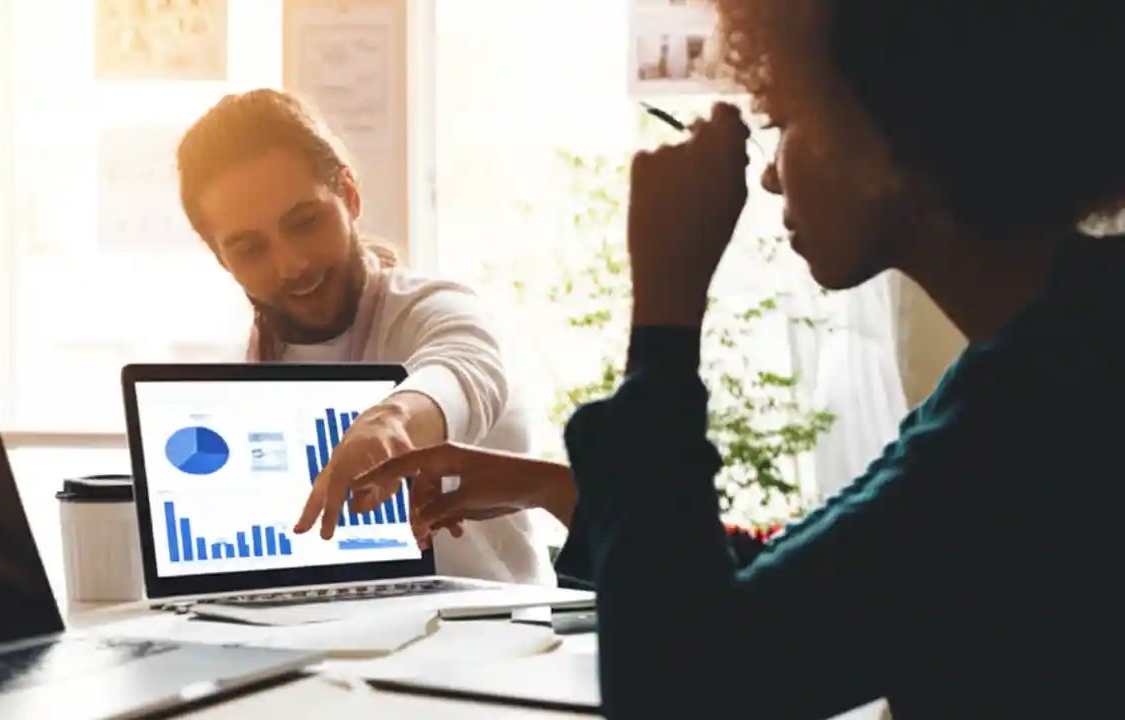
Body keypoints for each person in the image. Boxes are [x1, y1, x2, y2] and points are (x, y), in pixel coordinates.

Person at [322, 0, 1125, 716]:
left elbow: (688, 687)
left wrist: (667, 307)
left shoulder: (1041, 413)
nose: (770, 174)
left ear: (897, 129)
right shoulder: (1048, 354)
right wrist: (545, 487)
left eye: (781, 122)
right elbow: (800, 587)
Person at [175, 89, 554, 586]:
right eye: (250, 249)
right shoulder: (229, 383)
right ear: (223, 261)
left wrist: (392, 421)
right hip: (314, 646)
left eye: (305, 222)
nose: (292, 264)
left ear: (349, 195)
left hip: (492, 641)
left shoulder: (435, 312)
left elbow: (462, 371)